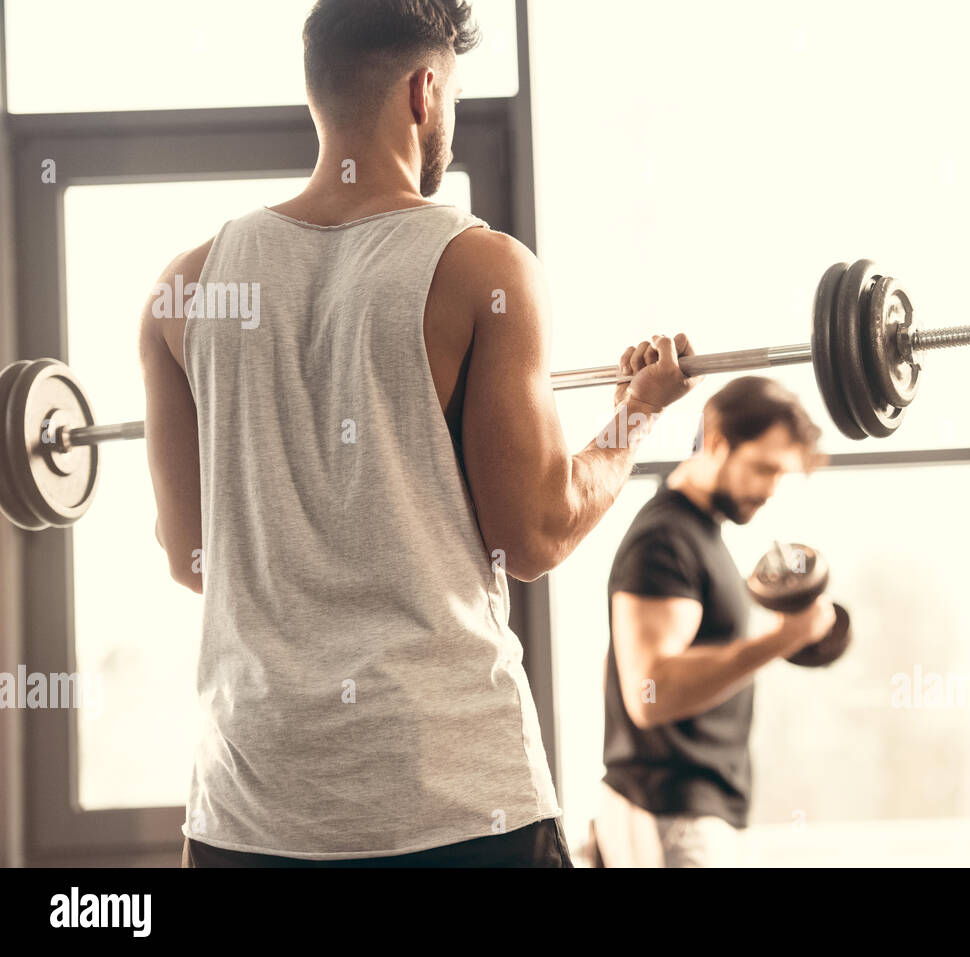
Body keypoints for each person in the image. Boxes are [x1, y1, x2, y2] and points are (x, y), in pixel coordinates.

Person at [140, 0, 697, 867]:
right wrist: (634, 414)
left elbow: (189, 557)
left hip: (250, 812)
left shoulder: (182, 289)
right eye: (458, 100)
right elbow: (537, 532)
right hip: (454, 803)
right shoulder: (483, 267)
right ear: (424, 90)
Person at [594, 376, 837, 867]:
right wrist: (782, 640)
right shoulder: (664, 539)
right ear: (718, 440)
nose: (771, 489)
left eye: (780, 475)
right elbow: (650, 692)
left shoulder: (702, 538)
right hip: (666, 807)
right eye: (763, 469)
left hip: (692, 812)